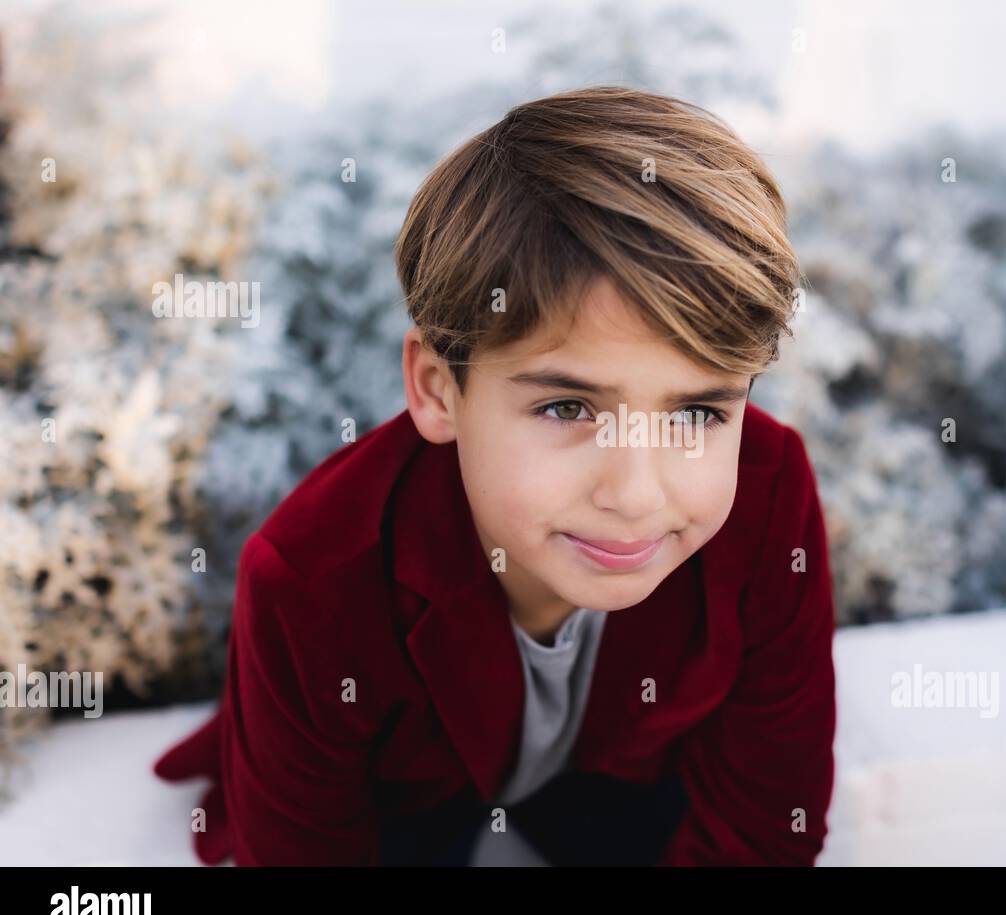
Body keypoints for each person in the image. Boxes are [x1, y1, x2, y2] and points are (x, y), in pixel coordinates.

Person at [153, 85, 837, 866]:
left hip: (613, 780)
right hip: (404, 795)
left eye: (697, 415)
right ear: (438, 390)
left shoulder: (770, 491)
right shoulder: (314, 576)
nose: (637, 493)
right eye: (569, 407)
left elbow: (763, 823)